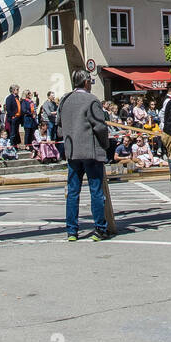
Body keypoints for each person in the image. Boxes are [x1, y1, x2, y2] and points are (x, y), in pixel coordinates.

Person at [59, 70, 113, 242]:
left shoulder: (64, 100)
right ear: (86, 82)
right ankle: (100, 228)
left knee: (72, 191)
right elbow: (100, 127)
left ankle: (72, 231)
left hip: (72, 150)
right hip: (90, 150)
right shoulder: (91, 100)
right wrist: (105, 144)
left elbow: (59, 127)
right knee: (96, 191)